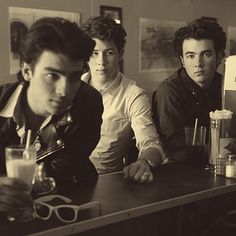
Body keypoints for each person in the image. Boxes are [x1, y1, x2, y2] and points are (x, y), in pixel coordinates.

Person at [0, 17, 103, 217]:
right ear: (27, 70)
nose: (64, 90)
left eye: (74, 77)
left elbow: (62, 170)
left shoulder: (87, 102)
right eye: (52, 75)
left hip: (66, 208)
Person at [81, 16, 166, 183]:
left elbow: (151, 145)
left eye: (109, 53)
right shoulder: (71, 86)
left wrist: (144, 162)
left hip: (102, 185)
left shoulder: (134, 96)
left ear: (120, 54)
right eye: (95, 53)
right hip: (61, 179)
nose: (101, 62)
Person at [152, 18, 226, 164]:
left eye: (206, 54)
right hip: (181, 175)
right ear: (182, 60)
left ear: (219, 57)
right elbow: (178, 151)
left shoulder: (225, 86)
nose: (198, 64)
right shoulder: (168, 91)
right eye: (190, 56)